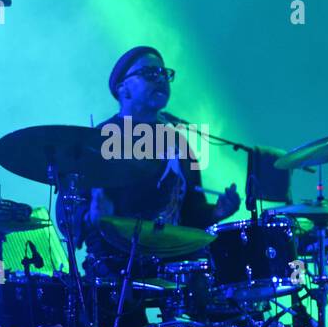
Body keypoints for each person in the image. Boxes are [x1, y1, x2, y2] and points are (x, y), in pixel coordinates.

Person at [82, 45, 240, 275]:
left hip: (174, 261)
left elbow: (191, 210)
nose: (161, 79)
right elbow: (69, 209)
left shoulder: (180, 142)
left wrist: (217, 212)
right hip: (119, 266)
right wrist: (91, 216)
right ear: (123, 88)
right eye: (149, 73)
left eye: (164, 74)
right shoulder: (99, 140)